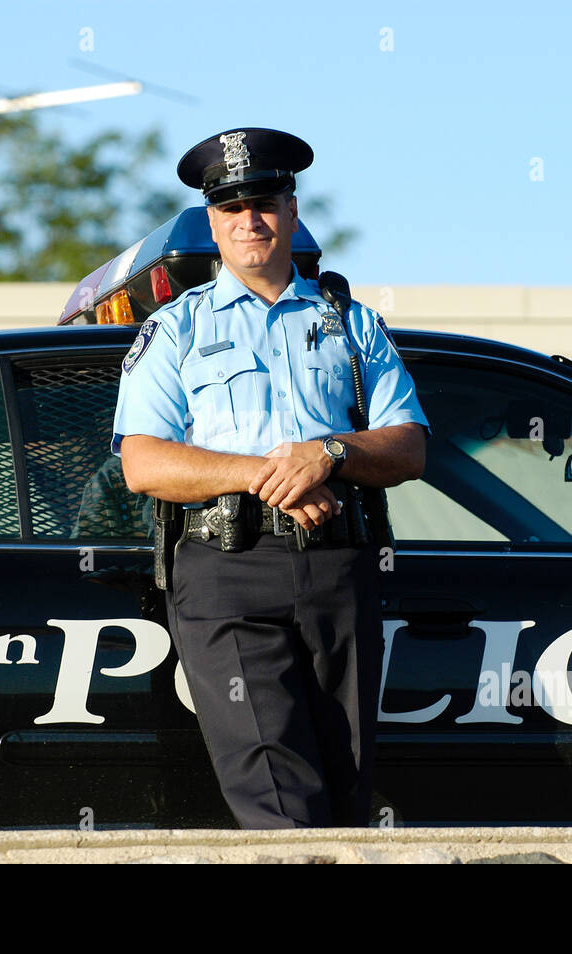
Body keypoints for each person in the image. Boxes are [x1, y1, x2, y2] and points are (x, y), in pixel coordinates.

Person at [111, 127, 428, 828]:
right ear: (213, 224)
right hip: (227, 572)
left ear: (291, 208)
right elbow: (142, 461)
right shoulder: (176, 329)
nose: (248, 219)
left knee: (345, 791)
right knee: (278, 795)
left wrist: (331, 454)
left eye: (263, 201)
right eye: (230, 207)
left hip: (340, 563)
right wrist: (269, 473)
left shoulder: (353, 324)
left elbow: (408, 449)